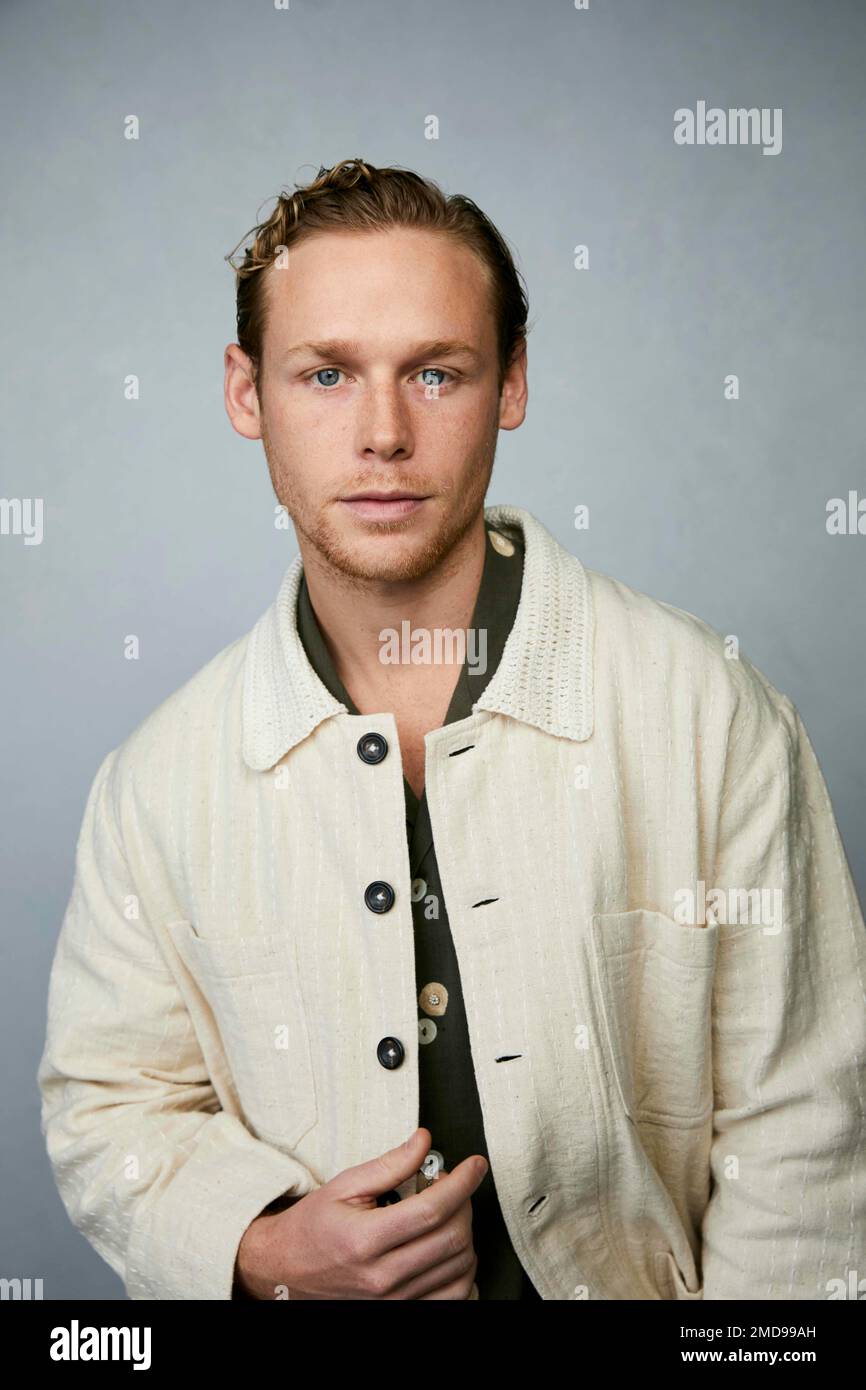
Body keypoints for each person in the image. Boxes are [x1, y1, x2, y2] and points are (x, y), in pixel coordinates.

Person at [38, 159, 866, 1301]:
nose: (381, 433)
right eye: (325, 373)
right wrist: (260, 1248)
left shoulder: (705, 711)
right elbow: (107, 1103)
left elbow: (805, 1141)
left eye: (434, 372)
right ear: (246, 393)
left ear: (510, 382)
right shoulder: (155, 784)